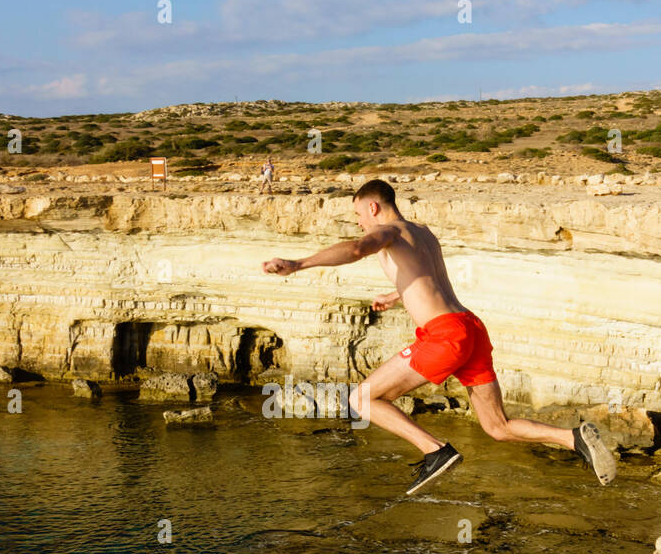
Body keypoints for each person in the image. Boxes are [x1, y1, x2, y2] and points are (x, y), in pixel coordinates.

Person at [262, 179, 618, 494]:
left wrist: (297, 264)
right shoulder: (424, 233)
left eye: (359, 214)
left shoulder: (390, 231)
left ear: (373, 207)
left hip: (444, 335)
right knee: (498, 427)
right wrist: (395, 295)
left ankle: (435, 450)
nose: (359, 222)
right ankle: (573, 438)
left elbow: (356, 249)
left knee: (362, 399)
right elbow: (429, 278)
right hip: (471, 328)